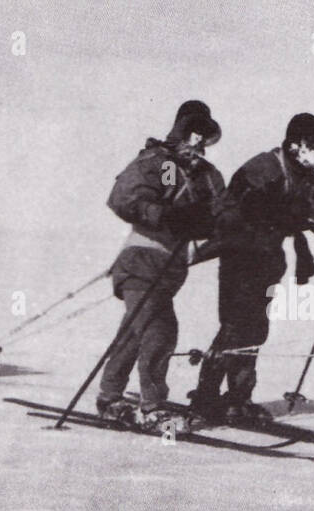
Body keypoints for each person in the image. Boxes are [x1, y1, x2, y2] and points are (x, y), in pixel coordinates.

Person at [188, 112, 314, 423]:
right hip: (241, 254)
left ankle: (238, 398)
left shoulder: (307, 180)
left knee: (256, 326)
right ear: (294, 144)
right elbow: (234, 210)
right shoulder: (263, 166)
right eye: (311, 144)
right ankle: (206, 396)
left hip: (269, 259)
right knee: (236, 323)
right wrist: (271, 215)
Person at [95, 100, 225, 432]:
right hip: (142, 260)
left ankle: (110, 397)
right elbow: (128, 197)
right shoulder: (164, 165)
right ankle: (153, 406)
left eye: (204, 137)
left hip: (169, 268)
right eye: (194, 134)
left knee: (136, 331)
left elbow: (220, 215)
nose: (198, 143)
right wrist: (168, 214)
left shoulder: (207, 177)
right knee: (159, 329)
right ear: (182, 131)